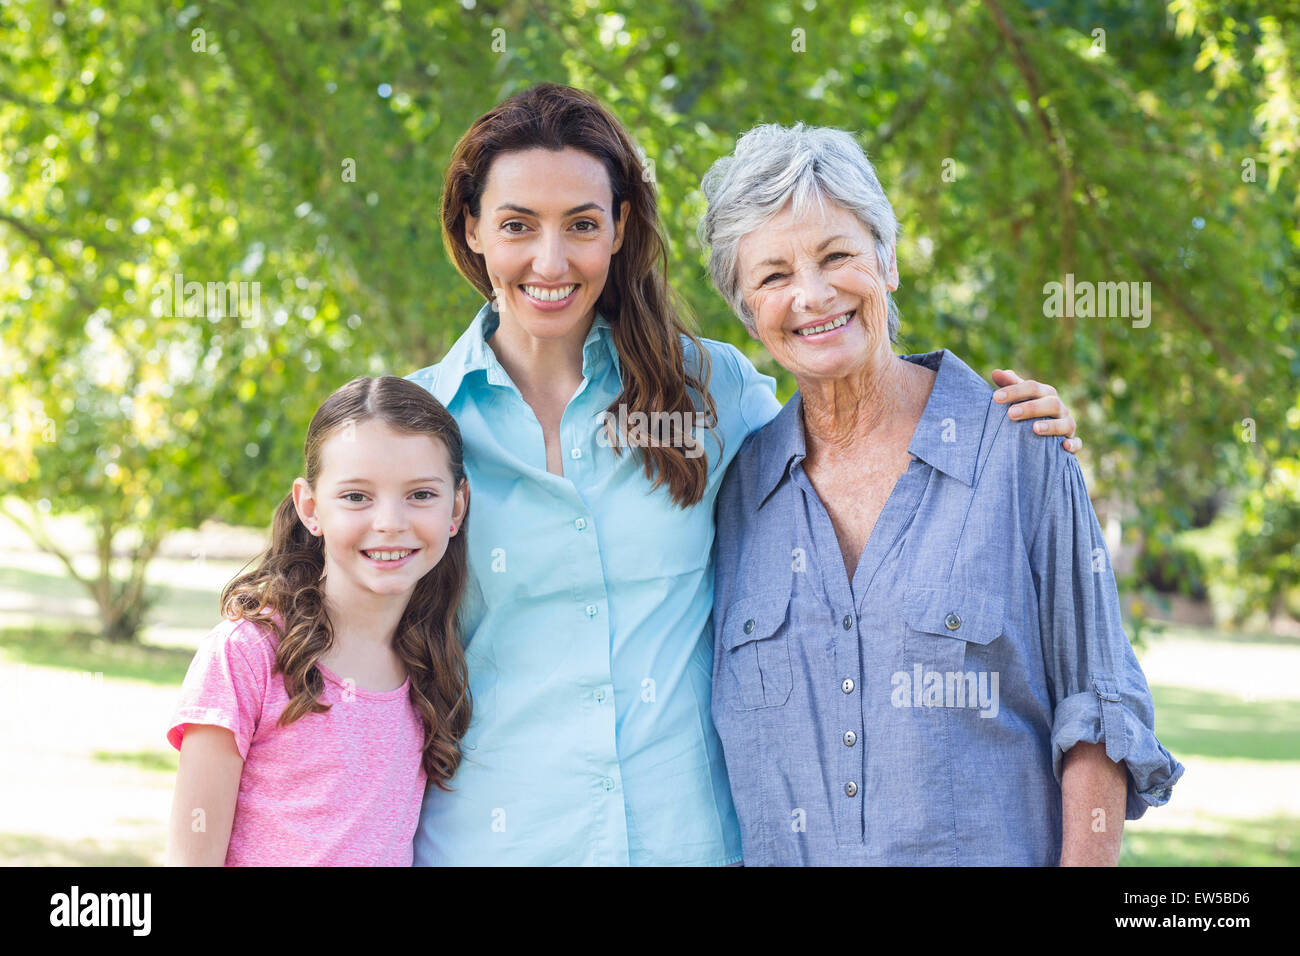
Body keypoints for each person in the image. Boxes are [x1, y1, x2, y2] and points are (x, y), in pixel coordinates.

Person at [406, 83, 1080, 865]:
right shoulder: (415, 425)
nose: (550, 261)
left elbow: (846, 424)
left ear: (620, 229)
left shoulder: (711, 393)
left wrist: (1013, 443)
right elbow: (339, 627)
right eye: (518, 225)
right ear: (472, 229)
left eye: (582, 224)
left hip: (691, 846)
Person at [701, 122, 1184, 866]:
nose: (813, 294)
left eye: (837, 256)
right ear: (747, 309)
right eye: (773, 276)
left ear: (887, 261)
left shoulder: (1020, 449)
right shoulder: (735, 495)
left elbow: (1098, 709)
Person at [164, 376, 471, 865]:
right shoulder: (247, 654)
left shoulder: (431, 663)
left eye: (420, 495)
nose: (390, 521)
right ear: (311, 507)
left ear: (456, 507)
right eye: (356, 497)